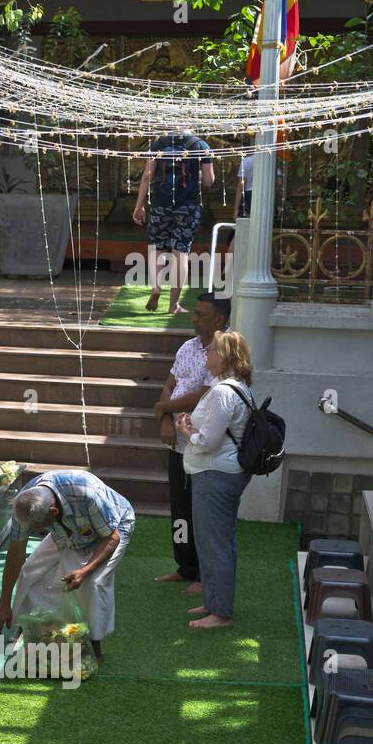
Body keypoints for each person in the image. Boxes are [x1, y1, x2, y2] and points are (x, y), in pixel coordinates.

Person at [0, 471, 136, 663]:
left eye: (37, 527)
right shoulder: (24, 505)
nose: (34, 531)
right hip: (66, 528)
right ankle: (29, 632)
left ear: (54, 512)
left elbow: (111, 537)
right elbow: (16, 554)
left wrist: (85, 570)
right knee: (30, 572)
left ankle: (93, 649)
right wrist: (4, 603)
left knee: (93, 582)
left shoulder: (87, 494)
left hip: (114, 526)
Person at [175, 330, 255, 630]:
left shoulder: (223, 392)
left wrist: (186, 431)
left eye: (211, 351)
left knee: (215, 544)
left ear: (224, 357)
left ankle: (221, 613)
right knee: (217, 541)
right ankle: (214, 603)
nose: (206, 354)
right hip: (220, 473)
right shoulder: (238, 388)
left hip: (215, 474)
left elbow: (208, 442)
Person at [151, 292, 230, 595]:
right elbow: (170, 384)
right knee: (180, 508)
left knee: (203, 512)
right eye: (194, 313)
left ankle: (204, 574)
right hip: (177, 442)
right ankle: (185, 566)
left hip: (203, 444)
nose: (194, 319)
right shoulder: (187, 347)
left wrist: (164, 408)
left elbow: (204, 395)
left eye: (200, 315)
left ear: (219, 319)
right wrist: (164, 420)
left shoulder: (224, 350)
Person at [132, 130, 216, 313]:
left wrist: (139, 206)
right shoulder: (201, 145)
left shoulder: (158, 143)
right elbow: (209, 181)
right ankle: (173, 305)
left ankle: (156, 287)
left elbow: (147, 176)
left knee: (158, 248)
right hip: (187, 206)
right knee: (181, 252)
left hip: (160, 205)